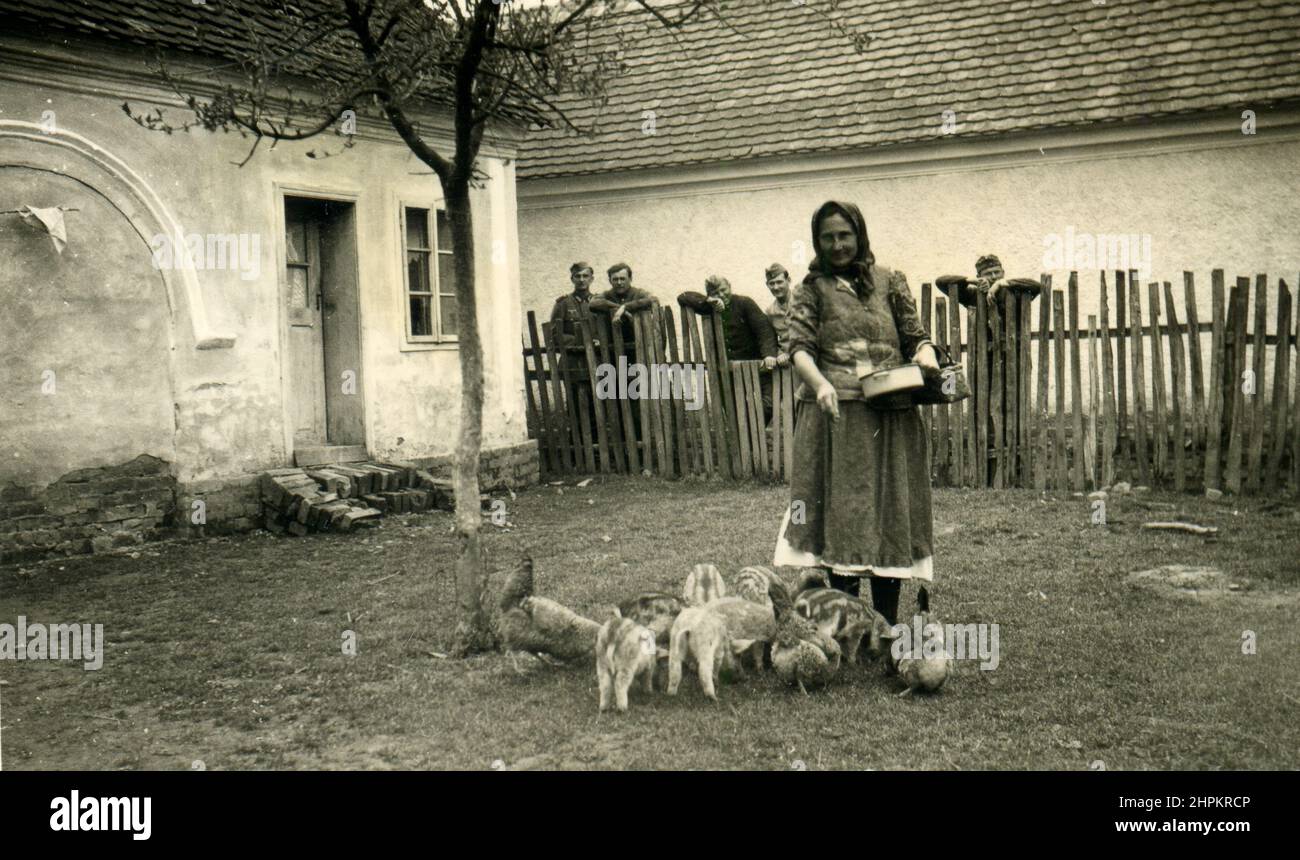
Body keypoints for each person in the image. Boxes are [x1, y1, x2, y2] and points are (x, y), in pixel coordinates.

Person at [772, 200, 940, 626]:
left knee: (888, 514)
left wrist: (925, 355)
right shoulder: (810, 290)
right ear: (818, 242)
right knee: (842, 516)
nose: (838, 245)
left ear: (860, 235)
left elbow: (915, 336)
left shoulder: (889, 281)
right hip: (837, 419)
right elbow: (799, 349)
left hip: (891, 414)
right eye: (828, 237)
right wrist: (821, 384)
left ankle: (885, 627)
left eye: (845, 235)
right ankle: (845, 626)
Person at [935, 254, 1043, 483]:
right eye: (988, 274)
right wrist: (971, 282)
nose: (993, 276)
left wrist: (1002, 284)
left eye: (997, 272)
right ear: (979, 276)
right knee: (984, 411)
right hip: (982, 364)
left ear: (1003, 273)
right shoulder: (972, 295)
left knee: (1014, 408)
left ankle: (1015, 472)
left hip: (1014, 362)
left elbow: (1037, 286)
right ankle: (987, 473)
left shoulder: (1013, 291)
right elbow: (942, 282)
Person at [677, 275, 779, 418]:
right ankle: (744, 430)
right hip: (727, 370)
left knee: (769, 404)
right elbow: (683, 297)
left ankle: (749, 428)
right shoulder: (709, 307)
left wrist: (769, 354)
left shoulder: (744, 303)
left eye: (723, 290)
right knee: (732, 410)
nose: (721, 295)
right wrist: (708, 300)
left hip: (756, 365)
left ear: (730, 286)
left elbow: (764, 329)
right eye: (716, 293)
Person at [550, 261, 598, 428]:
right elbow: (555, 335)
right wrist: (580, 341)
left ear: (592, 279)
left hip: (597, 361)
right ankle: (578, 439)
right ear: (572, 279)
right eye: (578, 276)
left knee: (598, 403)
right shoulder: (562, 304)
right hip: (572, 362)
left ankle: (597, 440)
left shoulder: (598, 302)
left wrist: (598, 340)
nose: (582, 280)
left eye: (585, 276)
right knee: (575, 404)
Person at [589, 262, 658, 358]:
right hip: (613, 350)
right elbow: (592, 304)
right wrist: (620, 309)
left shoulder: (639, 293)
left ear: (630, 279)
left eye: (622, 279)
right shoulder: (607, 295)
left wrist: (625, 306)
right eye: (615, 279)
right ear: (610, 281)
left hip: (639, 348)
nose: (619, 282)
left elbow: (654, 300)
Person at [763, 262, 794, 364]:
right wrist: (779, 353)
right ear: (767, 285)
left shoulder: (804, 301)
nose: (776, 287)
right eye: (772, 283)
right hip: (786, 363)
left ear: (788, 280)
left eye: (779, 282)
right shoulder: (770, 312)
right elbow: (771, 340)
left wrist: (790, 353)